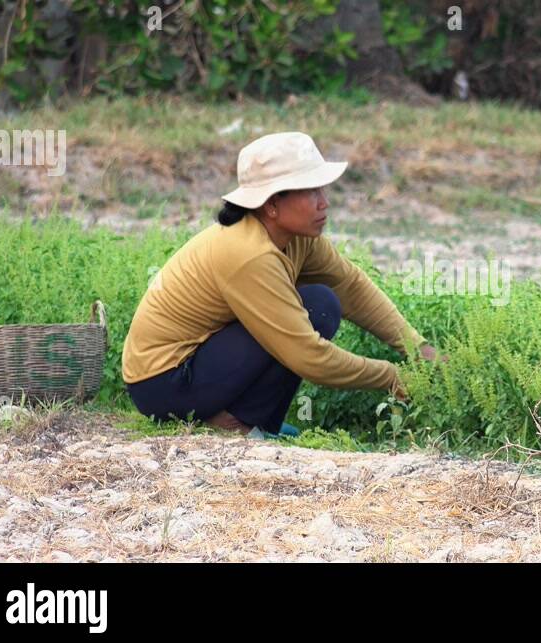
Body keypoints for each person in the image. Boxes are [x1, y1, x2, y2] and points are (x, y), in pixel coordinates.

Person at [121, 131, 440, 438]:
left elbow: (351, 287)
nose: (324, 203)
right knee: (307, 316)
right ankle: (235, 423)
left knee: (320, 302)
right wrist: (393, 377)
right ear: (271, 205)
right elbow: (309, 357)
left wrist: (419, 349)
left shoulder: (297, 238)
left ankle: (255, 420)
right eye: (312, 191)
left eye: (323, 190)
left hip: (201, 362)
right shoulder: (249, 254)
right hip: (163, 383)